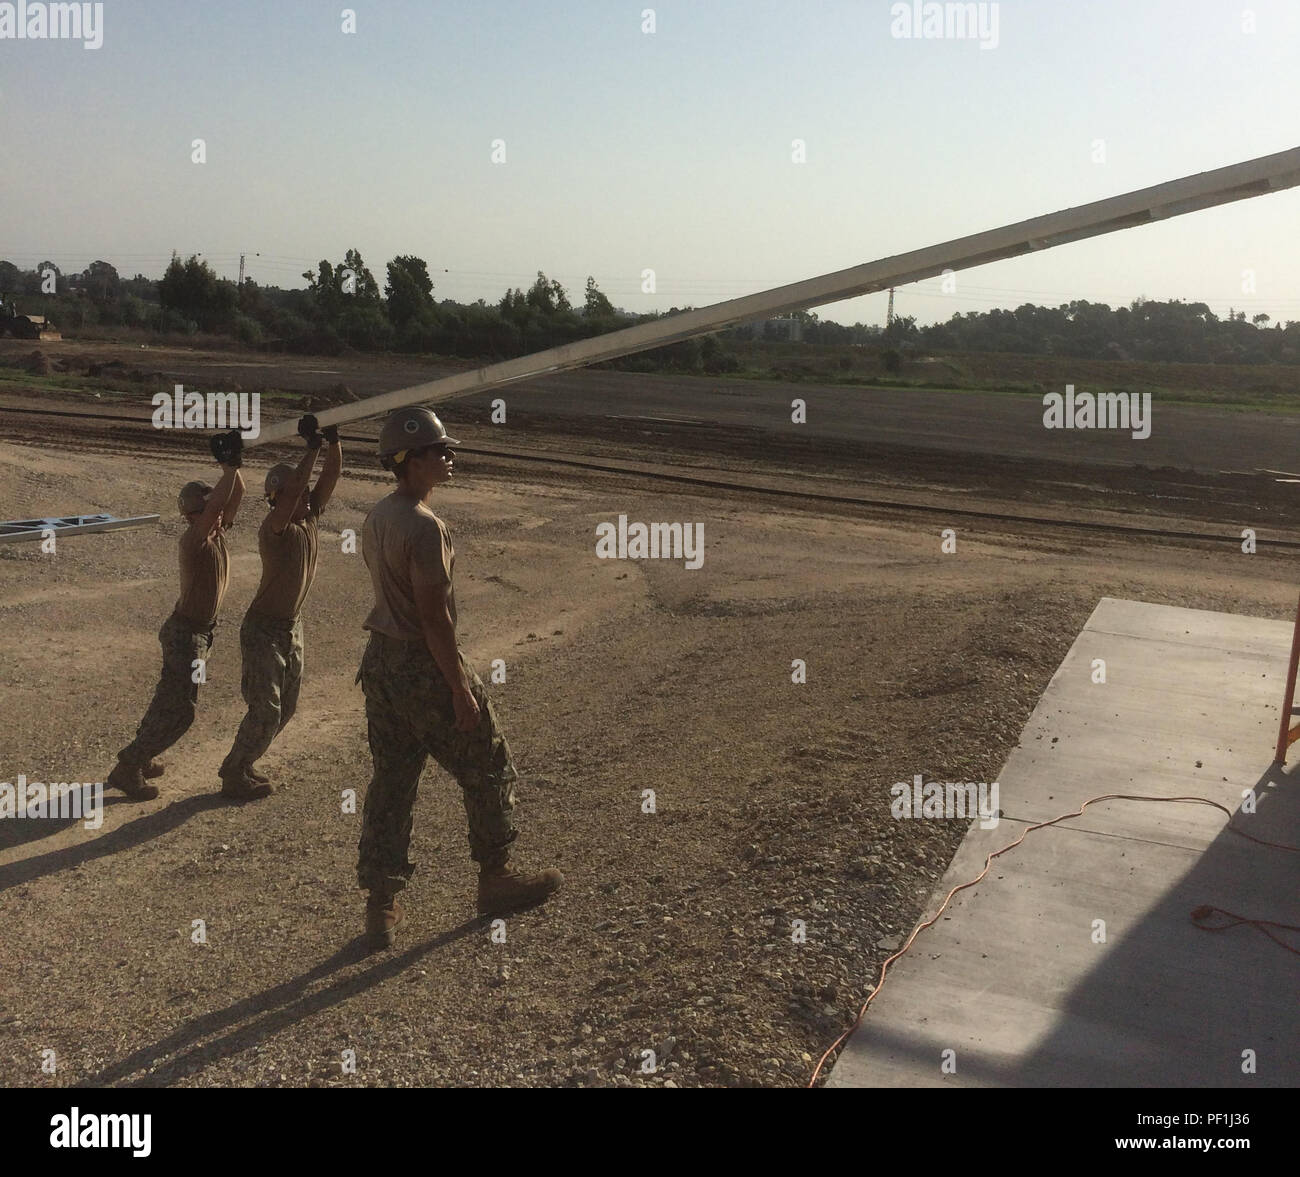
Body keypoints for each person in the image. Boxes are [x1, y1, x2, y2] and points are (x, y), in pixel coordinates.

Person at [356, 406, 562, 948]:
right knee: (488, 765)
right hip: (423, 666)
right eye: (440, 451)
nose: (450, 459)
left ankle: (381, 905)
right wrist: (458, 687)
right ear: (411, 460)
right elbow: (434, 618)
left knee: (393, 781)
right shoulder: (426, 528)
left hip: (380, 662)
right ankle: (495, 879)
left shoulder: (379, 515)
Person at [107, 429, 246, 800]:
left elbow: (235, 496)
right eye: (208, 510)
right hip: (187, 635)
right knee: (182, 709)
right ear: (193, 515)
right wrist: (226, 469)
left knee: (166, 699)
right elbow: (218, 505)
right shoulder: (194, 541)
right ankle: (129, 766)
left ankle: (138, 757)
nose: (217, 514)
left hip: (198, 634)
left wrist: (233, 465)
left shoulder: (215, 534)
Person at [217, 414, 341, 800]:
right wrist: (311, 450)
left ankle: (245, 763)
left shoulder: (309, 518)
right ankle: (234, 771)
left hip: (292, 626)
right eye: (295, 494)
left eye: (304, 494)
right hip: (264, 629)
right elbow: (294, 493)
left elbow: (330, 477)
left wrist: (332, 442)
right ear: (277, 497)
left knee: (286, 708)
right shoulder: (276, 529)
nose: (304, 497)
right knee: (266, 709)